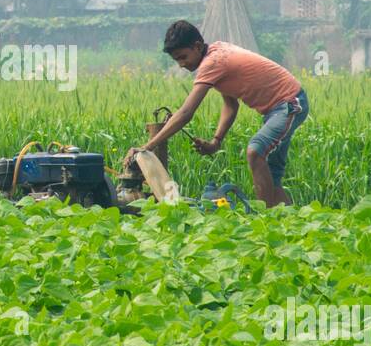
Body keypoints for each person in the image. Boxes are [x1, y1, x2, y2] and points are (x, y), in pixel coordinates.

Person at [125, 20, 309, 207]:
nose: (181, 64)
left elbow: (186, 112)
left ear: (197, 46)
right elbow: (231, 105)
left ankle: (267, 218)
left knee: (255, 151)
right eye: (176, 60)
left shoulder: (213, 63)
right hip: (275, 111)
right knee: (271, 176)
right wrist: (216, 141)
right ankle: (288, 221)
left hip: (289, 104)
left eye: (183, 57)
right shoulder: (216, 54)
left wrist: (148, 146)